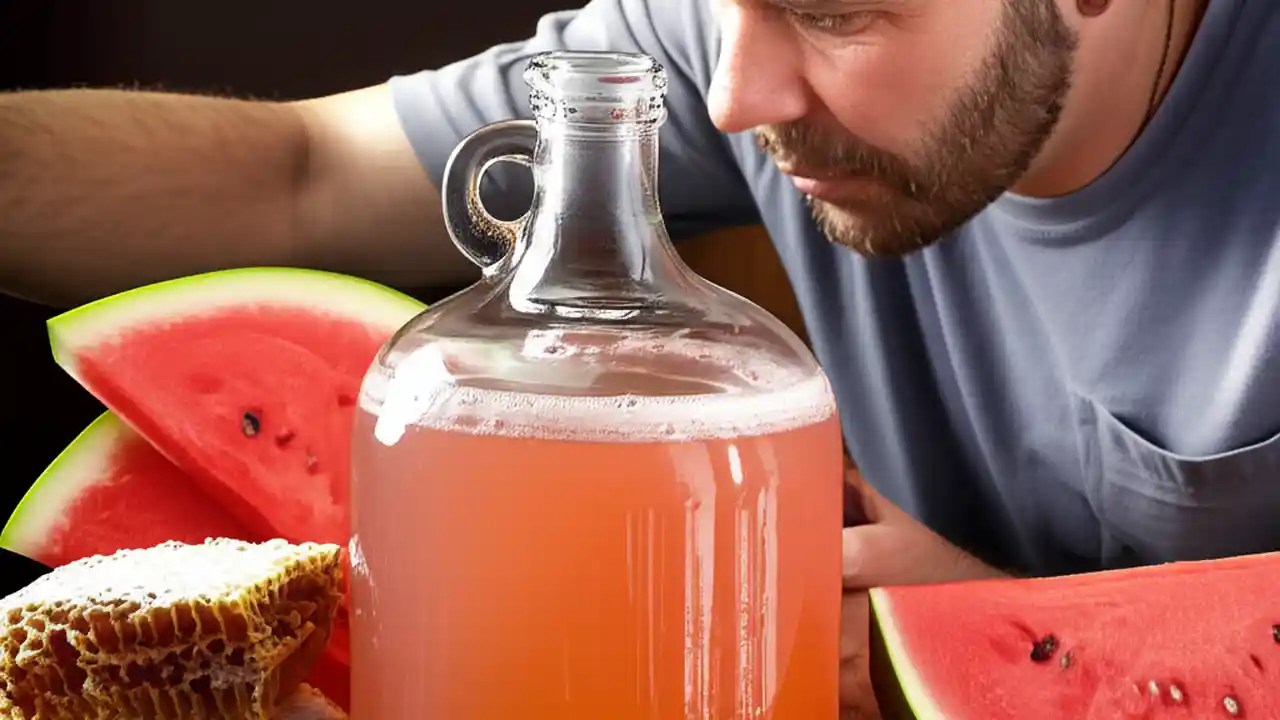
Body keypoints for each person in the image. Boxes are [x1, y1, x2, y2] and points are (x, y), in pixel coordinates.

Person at [2, 0, 1275, 715]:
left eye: (829, 15)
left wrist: (998, 631)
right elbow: (302, 173)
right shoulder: (732, 46)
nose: (730, 92)